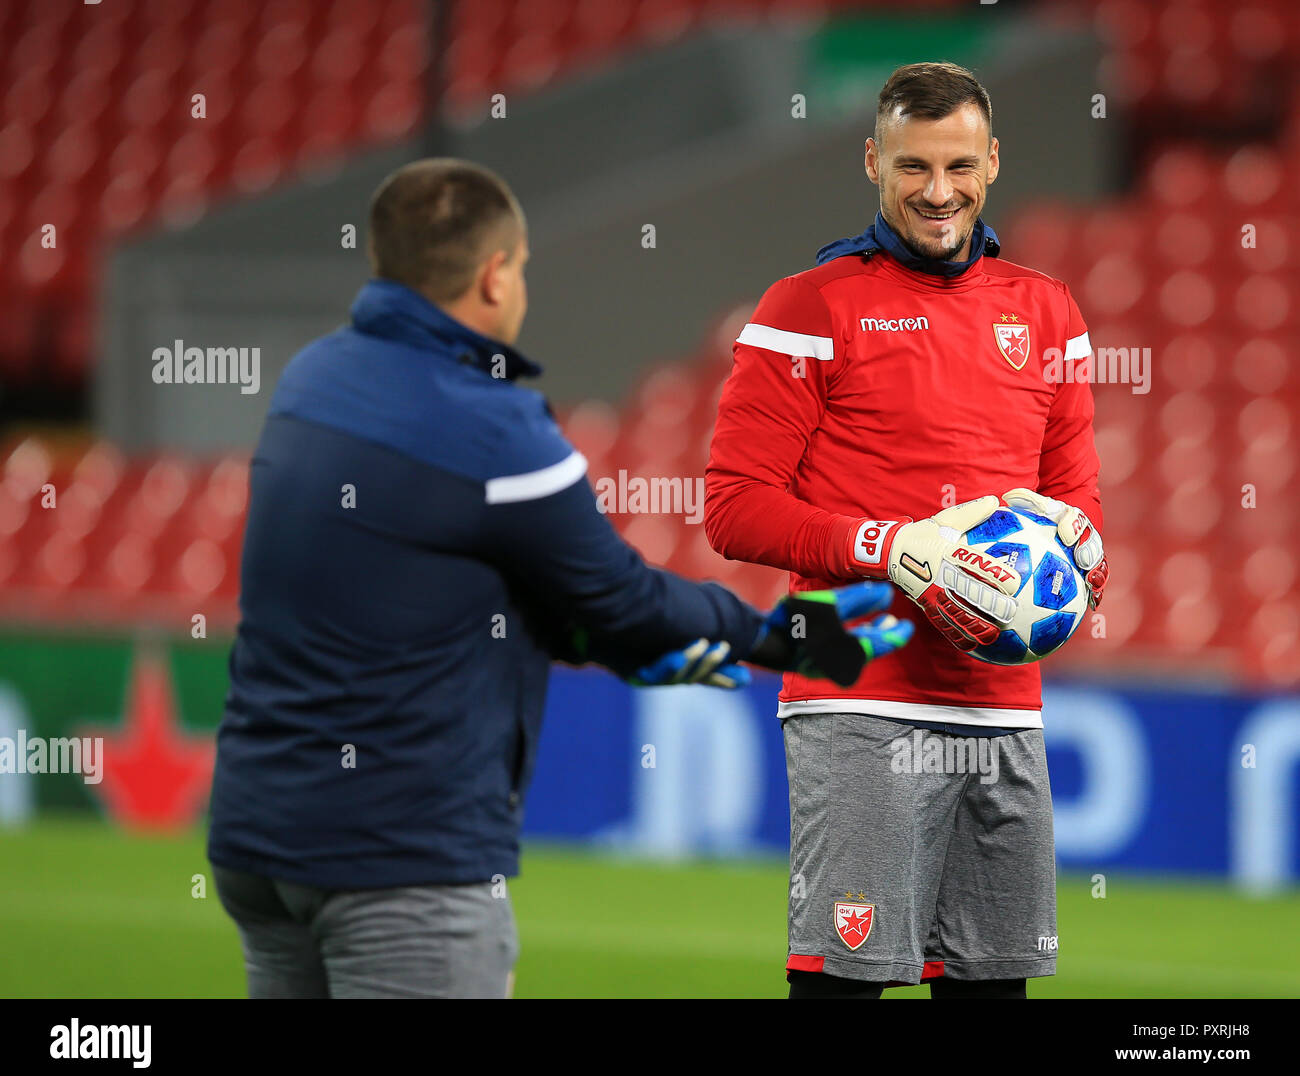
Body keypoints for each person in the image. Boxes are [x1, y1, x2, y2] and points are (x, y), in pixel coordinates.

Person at [205, 158, 912, 999]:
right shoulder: (491, 426)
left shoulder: (309, 381)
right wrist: (772, 633)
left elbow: (434, 584)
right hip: (400, 857)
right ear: (495, 274)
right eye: (526, 268)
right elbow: (614, 595)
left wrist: (607, 645)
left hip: (257, 843)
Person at [704, 63, 1109, 999]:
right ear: (873, 162)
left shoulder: (1047, 313)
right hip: (859, 693)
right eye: (913, 166)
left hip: (1003, 705)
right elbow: (733, 507)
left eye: (960, 164)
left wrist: (1082, 554)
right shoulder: (804, 308)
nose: (938, 192)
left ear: (994, 161)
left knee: (993, 987)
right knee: (844, 985)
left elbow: (1077, 504)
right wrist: (894, 547)